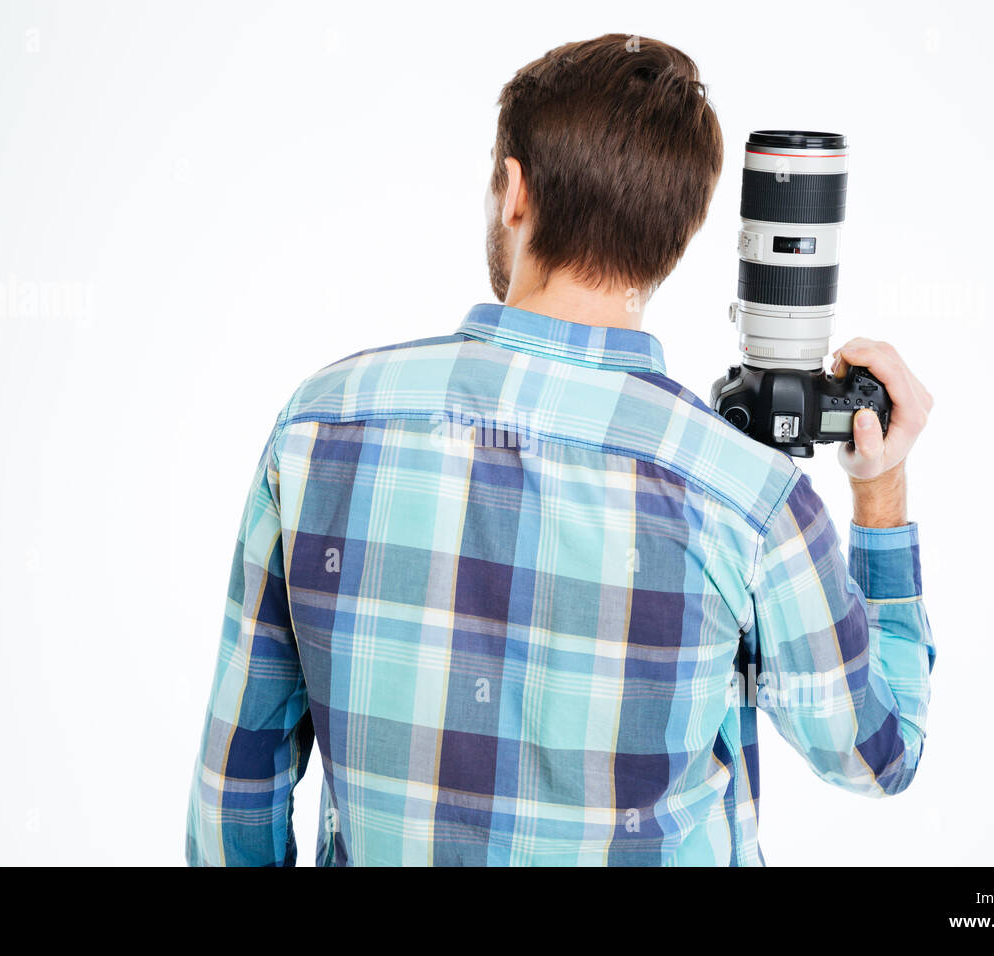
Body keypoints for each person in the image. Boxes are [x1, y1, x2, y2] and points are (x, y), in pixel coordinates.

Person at [186, 33, 936, 866]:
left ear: (514, 190)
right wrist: (881, 490)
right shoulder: (747, 496)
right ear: (673, 240)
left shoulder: (320, 427)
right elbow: (883, 753)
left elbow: (237, 790)